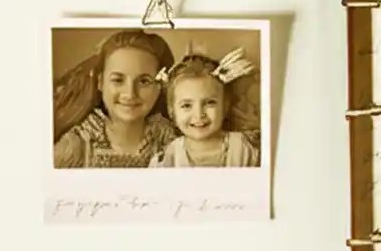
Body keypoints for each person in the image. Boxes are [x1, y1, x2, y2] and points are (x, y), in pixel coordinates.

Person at [53, 30, 178, 168]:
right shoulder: (76, 147)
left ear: (159, 87)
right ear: (100, 82)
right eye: (118, 80)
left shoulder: (171, 145)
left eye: (144, 81)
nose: (130, 94)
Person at [152, 47, 261, 168]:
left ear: (225, 106)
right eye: (187, 105)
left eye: (210, 103)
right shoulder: (169, 157)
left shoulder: (242, 148)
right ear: (172, 111)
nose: (199, 114)